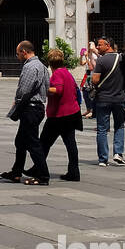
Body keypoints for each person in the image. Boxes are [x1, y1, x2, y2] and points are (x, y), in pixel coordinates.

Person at [1, 40, 49, 185]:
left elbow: (24, 89)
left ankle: (43, 175)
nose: (17, 57)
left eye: (18, 54)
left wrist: (17, 101)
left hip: (30, 108)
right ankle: (16, 172)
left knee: (32, 143)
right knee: (20, 141)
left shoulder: (30, 67)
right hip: (38, 107)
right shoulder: (42, 66)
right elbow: (47, 87)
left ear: (24, 52)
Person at [40, 48, 81, 181]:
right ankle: (74, 171)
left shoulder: (57, 74)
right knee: (70, 144)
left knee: (43, 143)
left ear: (50, 62)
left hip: (59, 115)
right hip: (72, 112)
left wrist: (42, 88)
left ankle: (39, 168)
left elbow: (57, 90)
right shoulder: (66, 72)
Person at [90, 37, 125, 167]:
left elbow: (95, 80)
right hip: (119, 98)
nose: (98, 47)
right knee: (120, 126)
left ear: (108, 45)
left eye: (100, 45)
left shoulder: (101, 61)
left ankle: (103, 159)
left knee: (102, 129)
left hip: (103, 99)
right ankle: (118, 153)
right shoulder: (122, 58)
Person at [80, 41, 96, 118]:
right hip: (87, 76)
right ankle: (88, 109)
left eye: (90, 45)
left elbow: (91, 67)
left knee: (91, 94)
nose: (89, 47)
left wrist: (87, 57)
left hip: (92, 75)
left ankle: (92, 110)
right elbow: (81, 63)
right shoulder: (89, 56)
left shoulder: (94, 56)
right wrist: (81, 56)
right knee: (84, 92)